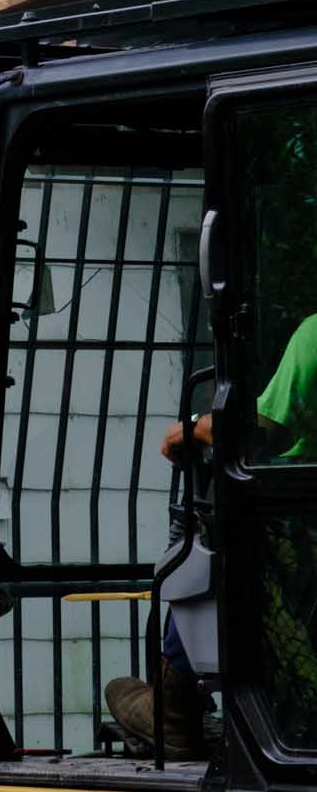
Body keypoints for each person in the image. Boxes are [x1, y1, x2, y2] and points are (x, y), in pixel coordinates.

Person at [103, 312, 317, 757]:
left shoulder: (316, 332)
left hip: (303, 529)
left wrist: (196, 425)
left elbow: (263, 432)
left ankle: (175, 707)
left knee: (216, 539)